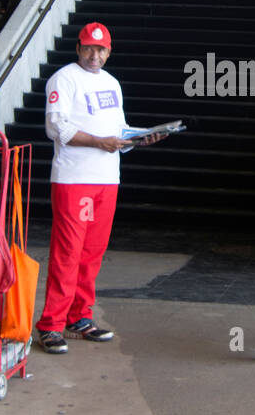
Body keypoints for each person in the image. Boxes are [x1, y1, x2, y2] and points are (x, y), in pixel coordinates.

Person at [35, 22, 162, 352]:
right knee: (68, 253)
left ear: (108, 51)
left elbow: (116, 129)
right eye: (88, 48)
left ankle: (79, 317)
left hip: (107, 179)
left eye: (100, 49)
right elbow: (55, 126)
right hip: (75, 180)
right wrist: (97, 142)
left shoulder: (112, 84)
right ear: (78, 49)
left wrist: (138, 136)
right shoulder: (64, 78)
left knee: (92, 252)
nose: (94, 55)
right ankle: (51, 324)